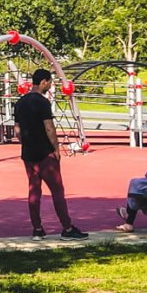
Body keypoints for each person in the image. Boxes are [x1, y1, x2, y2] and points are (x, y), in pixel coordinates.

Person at [13, 68, 88, 241]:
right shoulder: (43, 103)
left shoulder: (20, 103)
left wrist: (26, 143)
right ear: (44, 82)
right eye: (50, 82)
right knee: (57, 191)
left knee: (34, 190)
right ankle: (67, 228)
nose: (50, 85)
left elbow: (17, 130)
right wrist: (56, 148)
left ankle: (37, 228)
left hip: (29, 154)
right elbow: (49, 127)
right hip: (45, 154)